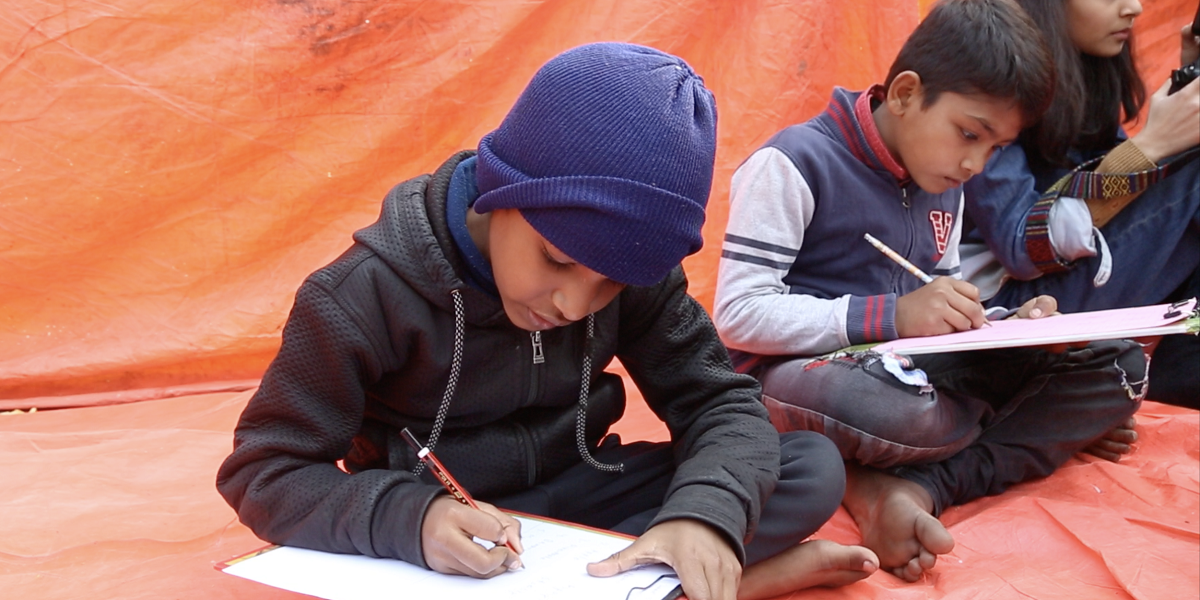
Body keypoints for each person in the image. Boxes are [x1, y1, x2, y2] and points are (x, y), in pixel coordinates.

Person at [216, 43, 879, 600]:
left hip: (592, 502)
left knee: (808, 465)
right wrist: (408, 521)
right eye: (557, 260)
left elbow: (721, 406)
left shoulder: (631, 275)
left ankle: (689, 565)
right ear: (502, 193)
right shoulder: (362, 296)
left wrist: (702, 519)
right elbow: (264, 471)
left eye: (611, 282)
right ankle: (716, 584)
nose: (573, 304)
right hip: (455, 535)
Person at [713, 0, 1148, 583]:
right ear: (906, 93)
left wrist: (1010, 327)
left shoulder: (943, 179)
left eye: (995, 149)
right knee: (886, 409)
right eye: (969, 133)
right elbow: (737, 317)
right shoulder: (793, 164)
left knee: (1116, 365)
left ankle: (914, 485)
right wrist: (890, 316)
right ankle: (1015, 425)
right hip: (812, 382)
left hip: (913, 377)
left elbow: (938, 301)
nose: (975, 163)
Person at [961, 0, 1200, 408]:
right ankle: (1181, 377)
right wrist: (1153, 144)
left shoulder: (1084, 74)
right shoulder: (988, 73)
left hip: (1067, 285)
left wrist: (1186, 89)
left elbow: (1129, 197)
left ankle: (1183, 375)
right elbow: (1021, 247)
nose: (1135, 8)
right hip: (1007, 314)